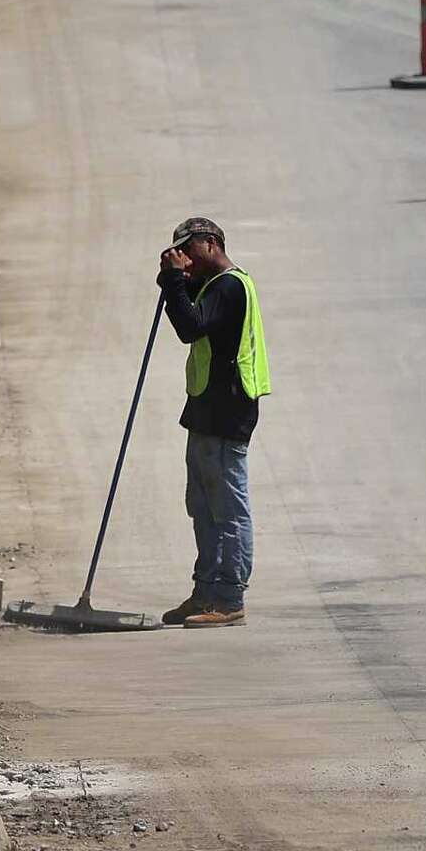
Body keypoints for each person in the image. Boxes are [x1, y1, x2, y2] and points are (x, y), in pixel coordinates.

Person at [156, 217, 269, 629]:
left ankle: (229, 597)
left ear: (210, 243)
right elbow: (190, 319)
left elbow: (190, 328)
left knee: (228, 509)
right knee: (202, 507)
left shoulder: (229, 286)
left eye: (189, 248)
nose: (185, 256)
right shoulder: (211, 285)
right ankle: (204, 590)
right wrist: (175, 281)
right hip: (206, 410)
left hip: (227, 413)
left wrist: (173, 282)